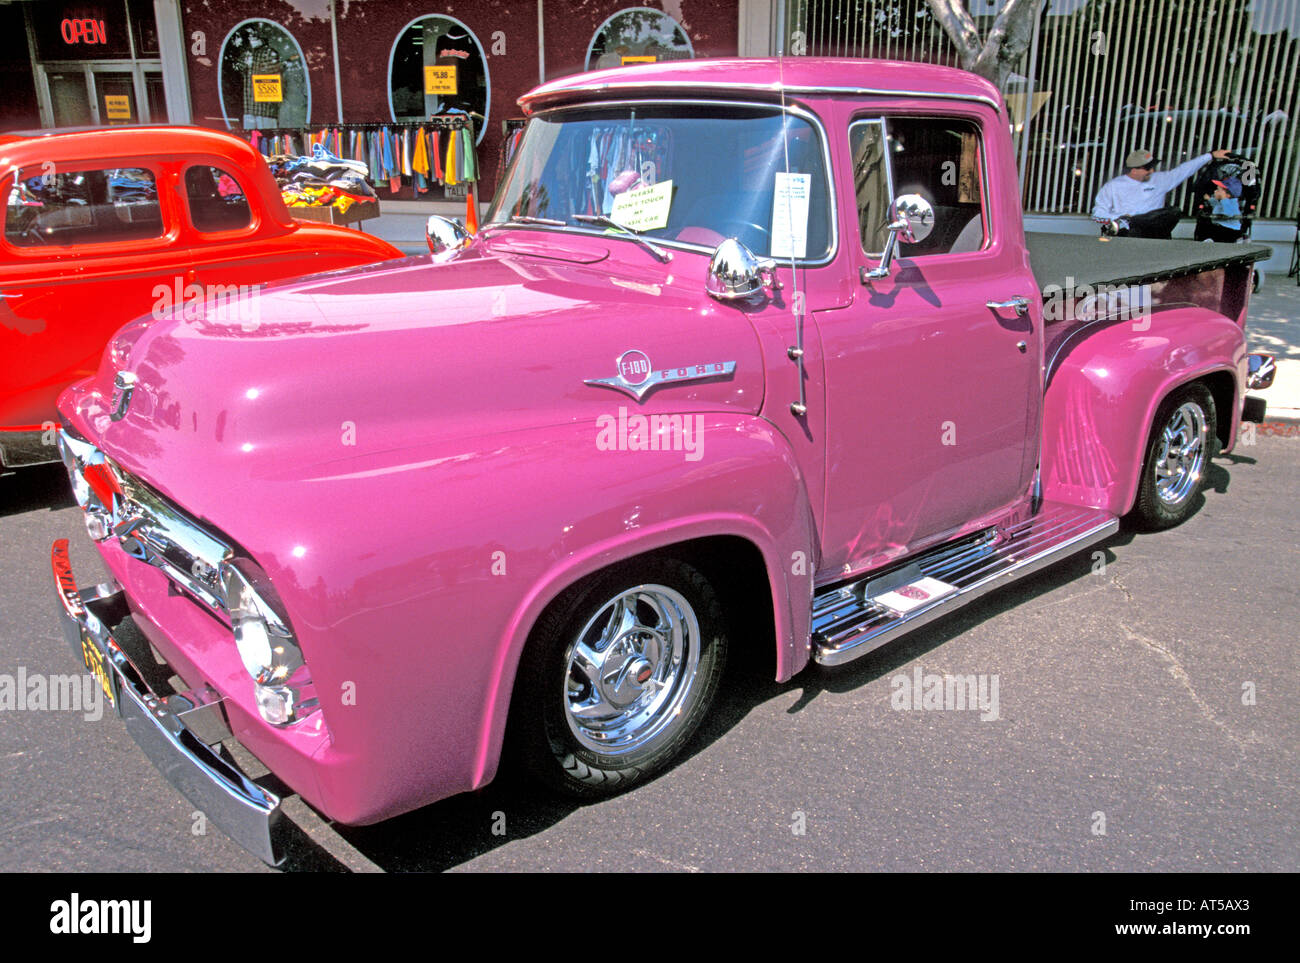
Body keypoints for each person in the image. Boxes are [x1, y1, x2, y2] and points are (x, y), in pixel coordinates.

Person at [1093, 147, 1231, 238]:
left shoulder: (1159, 180)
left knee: (1174, 211)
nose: (1152, 171)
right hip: (1130, 232)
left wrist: (1210, 156)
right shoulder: (1114, 186)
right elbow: (1097, 213)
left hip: (1155, 230)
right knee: (1134, 227)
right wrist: (1119, 217)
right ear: (1134, 170)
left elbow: (1184, 170)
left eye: (1152, 167)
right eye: (1147, 168)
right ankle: (1134, 222)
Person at [1197, 177, 1244, 242]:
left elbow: (1229, 213)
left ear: (1227, 195)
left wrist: (1223, 198)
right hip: (1222, 227)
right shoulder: (1222, 202)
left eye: (1218, 190)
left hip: (1229, 230)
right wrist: (1209, 199)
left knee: (1207, 228)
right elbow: (1216, 205)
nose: (1215, 191)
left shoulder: (1232, 203)